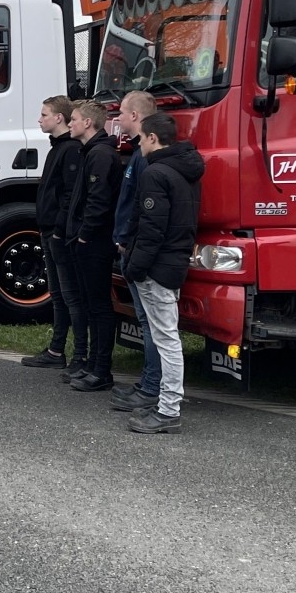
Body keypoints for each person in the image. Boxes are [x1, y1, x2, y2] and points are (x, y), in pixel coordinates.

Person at [119, 112, 204, 433]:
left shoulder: (156, 173)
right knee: (167, 337)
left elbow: (152, 228)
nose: (138, 144)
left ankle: (168, 409)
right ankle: (166, 404)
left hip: (156, 268)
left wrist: (135, 268)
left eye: (140, 138)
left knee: (166, 339)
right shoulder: (186, 169)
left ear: (152, 138)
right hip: (173, 263)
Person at [108, 91, 165, 410]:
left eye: (123, 111)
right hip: (129, 245)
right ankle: (148, 382)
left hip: (136, 249)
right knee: (147, 321)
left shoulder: (146, 157)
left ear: (135, 116)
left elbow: (142, 206)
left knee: (151, 323)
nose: (119, 116)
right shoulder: (139, 153)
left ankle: (152, 387)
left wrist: (126, 239)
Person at [63, 100, 123, 391]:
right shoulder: (89, 152)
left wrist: (85, 234)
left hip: (95, 243)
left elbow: (98, 200)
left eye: (73, 119)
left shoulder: (100, 154)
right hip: (85, 239)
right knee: (89, 303)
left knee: (99, 306)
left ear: (88, 123)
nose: (70, 123)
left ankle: (101, 370)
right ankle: (91, 365)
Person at [21, 96, 83, 371]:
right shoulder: (57, 148)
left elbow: (70, 193)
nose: (40, 119)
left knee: (69, 294)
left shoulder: (69, 149)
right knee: (58, 293)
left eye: (44, 114)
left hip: (57, 233)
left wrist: (59, 229)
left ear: (59, 118)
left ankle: (77, 352)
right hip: (49, 230)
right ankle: (57, 349)